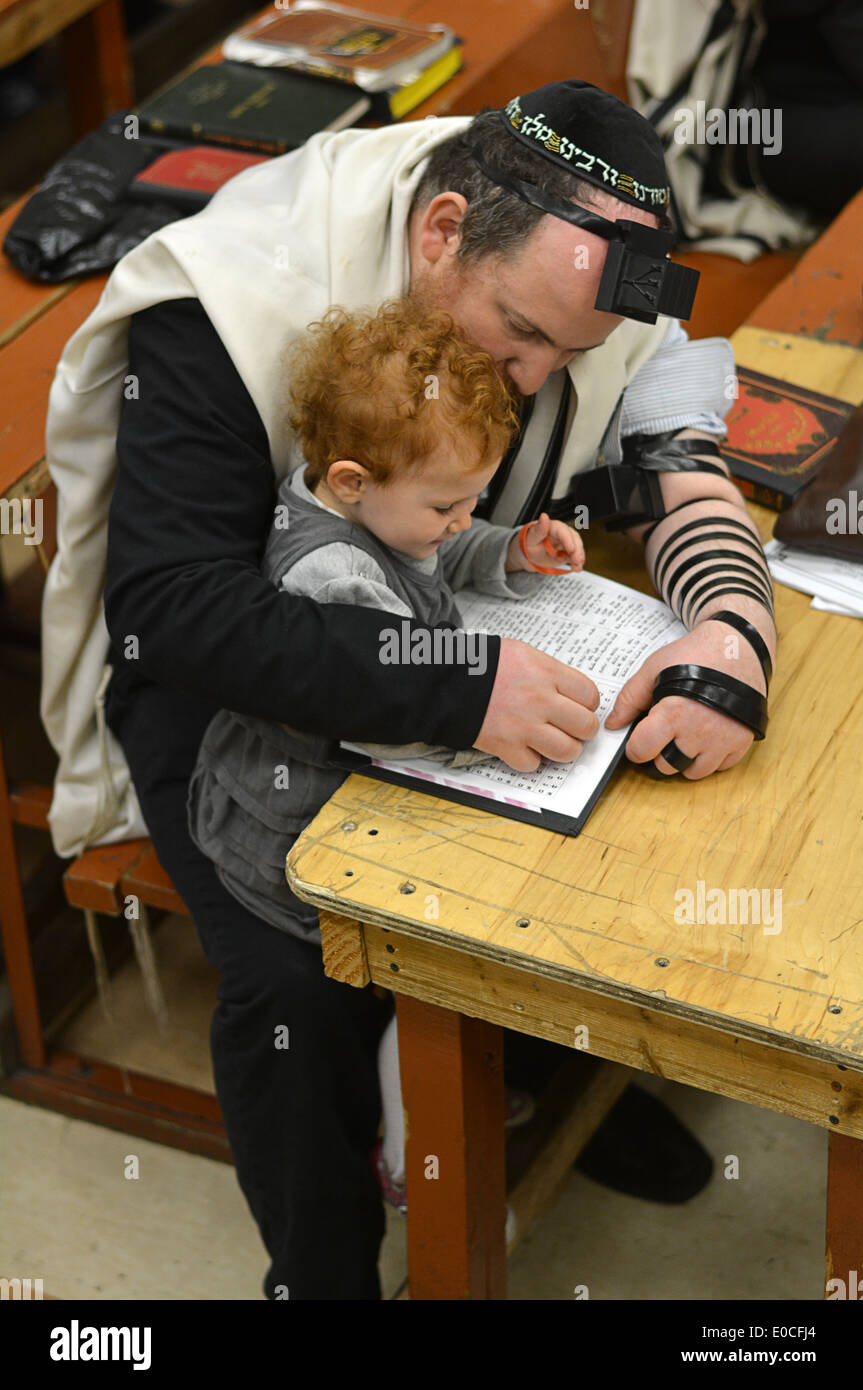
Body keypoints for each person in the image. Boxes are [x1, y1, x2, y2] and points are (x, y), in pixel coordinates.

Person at [42, 79, 777, 1298]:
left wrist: (729, 647)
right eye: (518, 334)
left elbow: (683, 477)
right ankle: (320, 1267)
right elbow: (173, 614)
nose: (537, 380)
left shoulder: (584, 282)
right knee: (299, 970)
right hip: (226, 703)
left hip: (444, 606)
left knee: (602, 815)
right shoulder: (225, 301)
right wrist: (451, 689)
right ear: (441, 232)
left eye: (567, 354)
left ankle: (537, 1070)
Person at [186, 295, 585, 1214]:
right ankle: (415, 1163)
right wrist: (501, 724)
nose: (464, 516)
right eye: (451, 502)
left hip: (364, 785)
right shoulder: (332, 573)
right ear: (353, 480)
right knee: (434, 981)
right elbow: (390, 709)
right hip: (295, 831)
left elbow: (441, 554)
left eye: (476, 497)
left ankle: (454, 1090)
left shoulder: (391, 512)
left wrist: (511, 551)